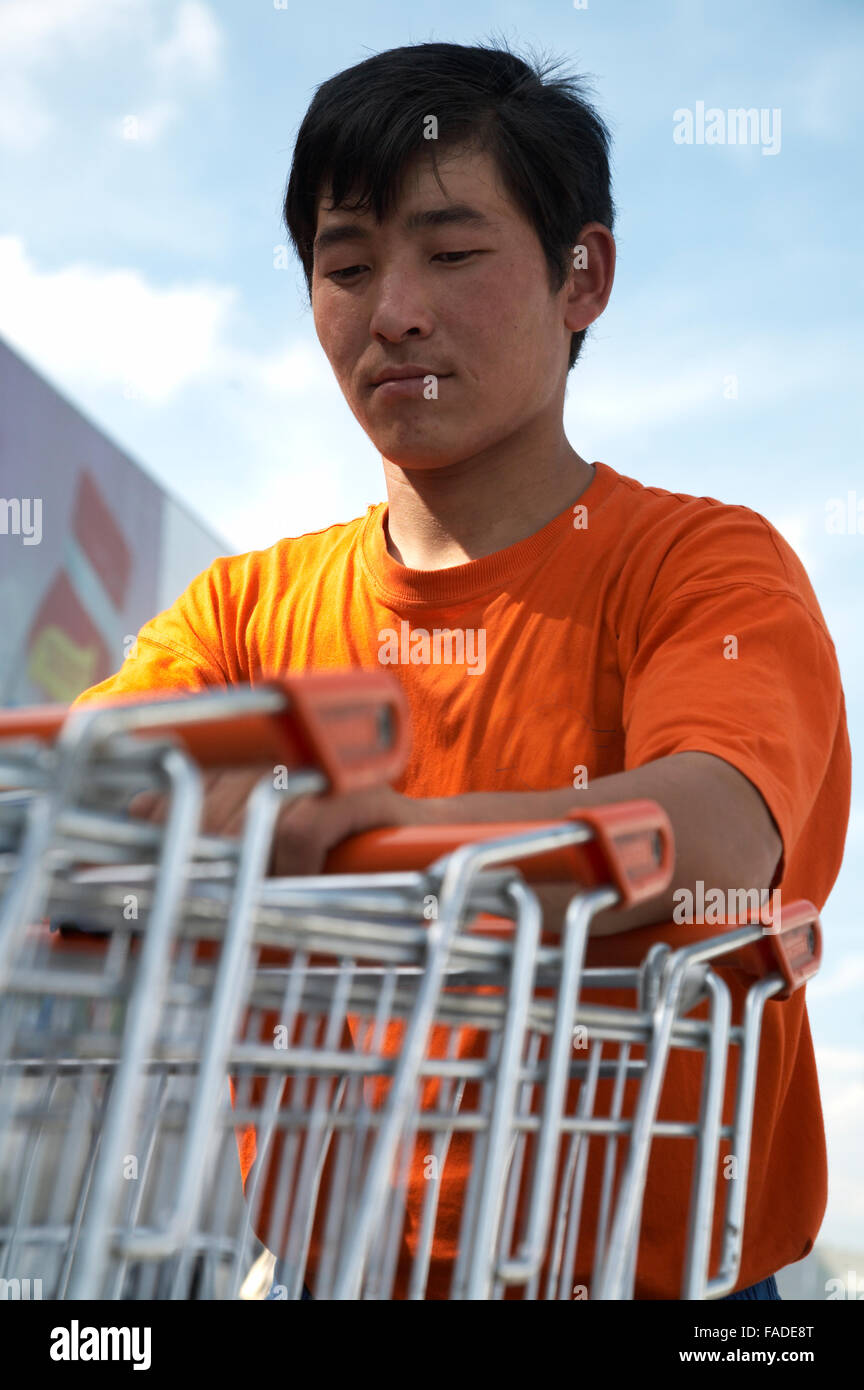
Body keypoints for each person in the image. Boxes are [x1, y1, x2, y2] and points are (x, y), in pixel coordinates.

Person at [72, 40, 850, 1300]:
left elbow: (706, 840)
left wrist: (374, 829)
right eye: (345, 264)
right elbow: (88, 790)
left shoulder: (702, 565)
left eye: (451, 251)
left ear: (581, 275)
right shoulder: (241, 613)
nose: (393, 311)